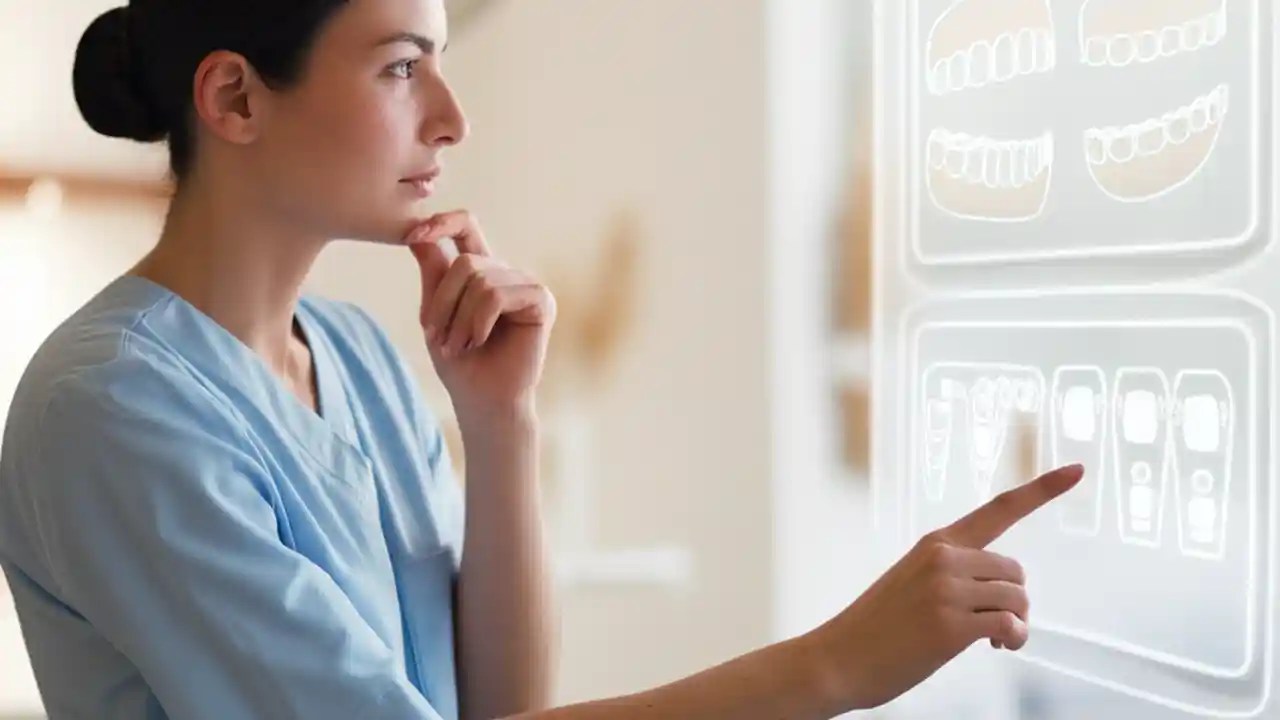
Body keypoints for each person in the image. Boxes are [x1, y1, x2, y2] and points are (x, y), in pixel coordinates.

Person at [0, 1, 1085, 718]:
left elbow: (502, 709)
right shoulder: (110, 408)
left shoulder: (358, 356)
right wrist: (833, 666)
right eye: (400, 68)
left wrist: (499, 423)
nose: (451, 117)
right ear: (234, 97)